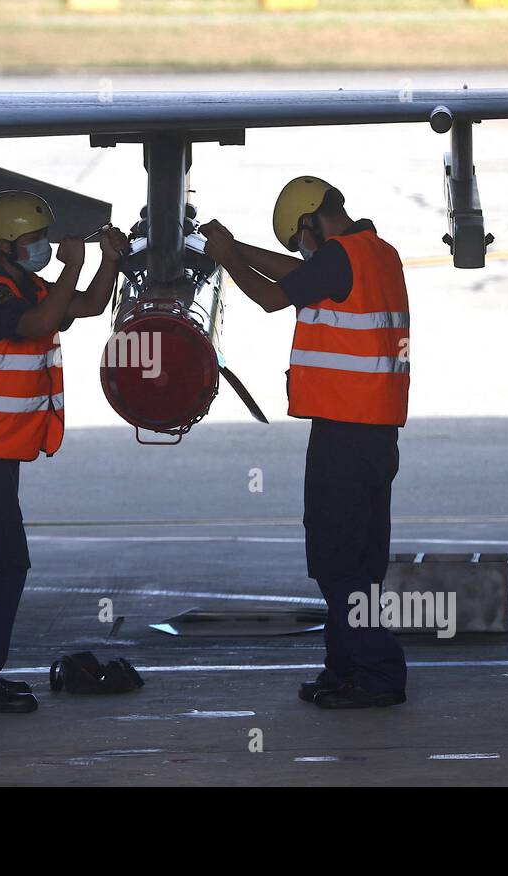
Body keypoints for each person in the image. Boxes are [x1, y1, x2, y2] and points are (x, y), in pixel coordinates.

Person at [198, 176, 410, 709]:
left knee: (335, 562)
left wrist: (227, 259)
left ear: (313, 220)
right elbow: (298, 275)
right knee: (358, 564)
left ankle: (379, 673)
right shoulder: (377, 253)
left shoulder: (340, 257)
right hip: (376, 432)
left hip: (345, 434)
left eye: (300, 239)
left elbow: (274, 296)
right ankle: (345, 669)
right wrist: (235, 247)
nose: (302, 251)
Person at [0, 190, 126, 713]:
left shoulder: (27, 286)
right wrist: (72, 266)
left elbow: (86, 305)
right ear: (2, 246)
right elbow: (41, 323)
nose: (43, 246)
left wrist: (108, 261)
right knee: (3, 564)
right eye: (33, 239)